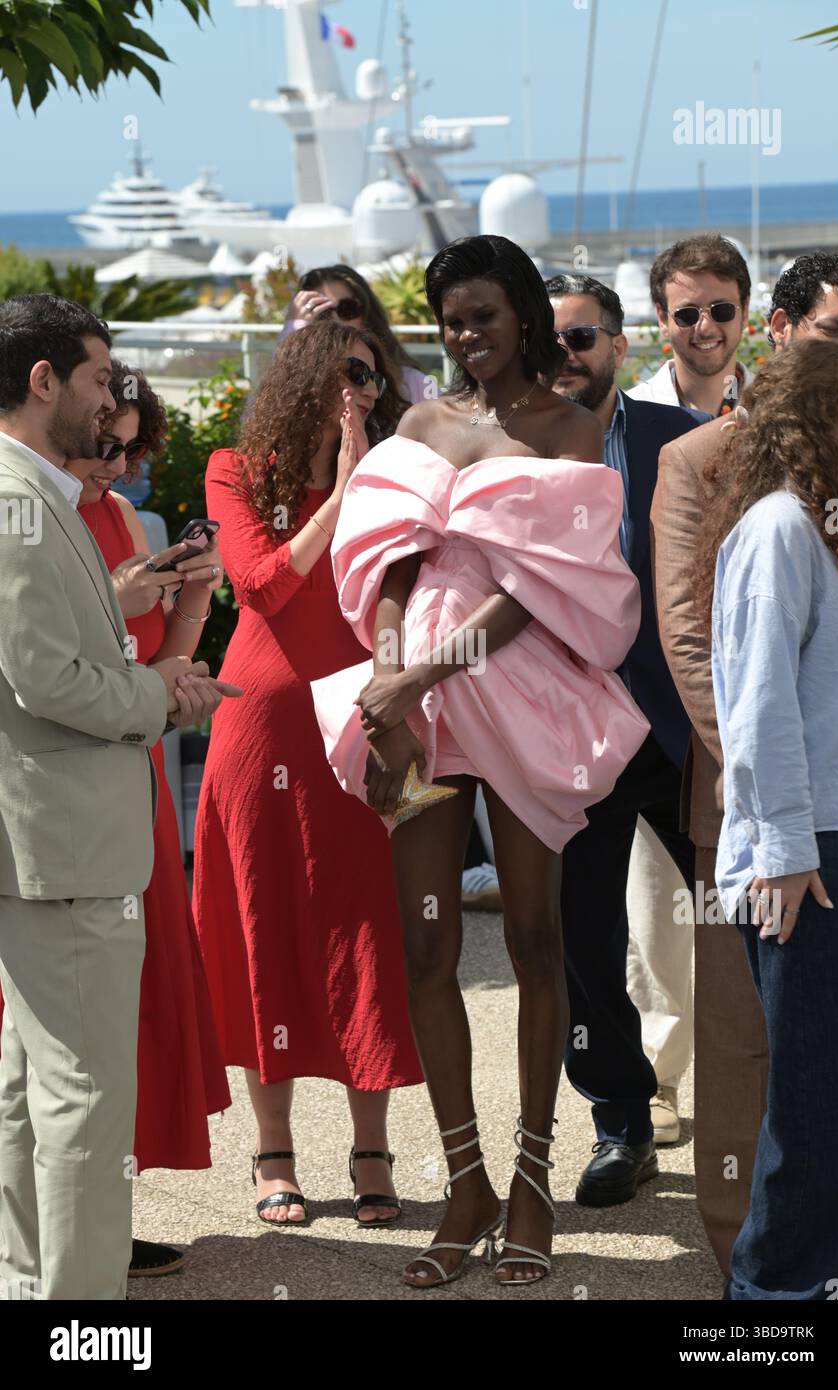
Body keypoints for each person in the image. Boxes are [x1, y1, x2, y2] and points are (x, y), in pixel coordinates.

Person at [311, 235, 649, 1286]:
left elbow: (538, 589)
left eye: (484, 318)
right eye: (452, 321)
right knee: (426, 949)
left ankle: (535, 1179)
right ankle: (465, 1182)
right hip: (421, 706)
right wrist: (388, 688)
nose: (466, 337)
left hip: (525, 696)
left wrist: (421, 678)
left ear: (525, 321)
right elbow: (391, 567)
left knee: (543, 941)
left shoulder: (570, 427)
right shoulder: (419, 423)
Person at [0, 294, 237, 1301]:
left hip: (51, 840)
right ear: (44, 379)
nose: (112, 401)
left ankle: (30, 1291)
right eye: (99, 377)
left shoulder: (34, 493)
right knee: (85, 1103)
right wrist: (163, 692)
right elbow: (42, 678)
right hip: (64, 843)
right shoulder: (20, 500)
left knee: (30, 1091)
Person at [650, 249, 838, 1276]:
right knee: (790, 1095)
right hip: (796, 844)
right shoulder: (763, 516)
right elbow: (739, 681)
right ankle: (759, 1291)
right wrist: (776, 837)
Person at [193, 319, 424, 1233]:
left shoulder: (397, 467)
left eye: (370, 374)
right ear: (302, 379)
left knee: (365, 925)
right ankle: (273, 1150)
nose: (358, 390)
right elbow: (262, 581)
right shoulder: (235, 470)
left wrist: (372, 474)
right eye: (343, 373)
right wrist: (345, 486)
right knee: (265, 923)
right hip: (258, 733)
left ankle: (373, 1151)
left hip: (358, 729)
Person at [66, 358, 232, 1278]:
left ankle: (102, 1219)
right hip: (55, 794)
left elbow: (162, 666)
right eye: (108, 445)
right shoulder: (30, 510)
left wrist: (195, 600)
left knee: (125, 1014)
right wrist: (119, 604)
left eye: (132, 452)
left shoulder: (123, 516)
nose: (118, 465)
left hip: (128, 784)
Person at [545, 273, 698, 1183]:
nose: (567, 356)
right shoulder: (513, 451)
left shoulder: (678, 438)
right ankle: (621, 1121)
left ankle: (752, 1115)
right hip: (572, 736)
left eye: (583, 338)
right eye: (553, 340)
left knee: (737, 921)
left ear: (619, 346)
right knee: (586, 934)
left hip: (682, 732)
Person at [628, 234, 751, 418]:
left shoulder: (780, 411)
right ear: (662, 318)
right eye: (687, 315)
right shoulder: (630, 418)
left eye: (722, 310)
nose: (705, 328)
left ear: (745, 312)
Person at [283, 263, 438, 406]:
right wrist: (293, 330)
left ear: (367, 316)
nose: (336, 322)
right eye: (322, 313)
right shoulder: (302, 386)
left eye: (347, 308)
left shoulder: (413, 383)